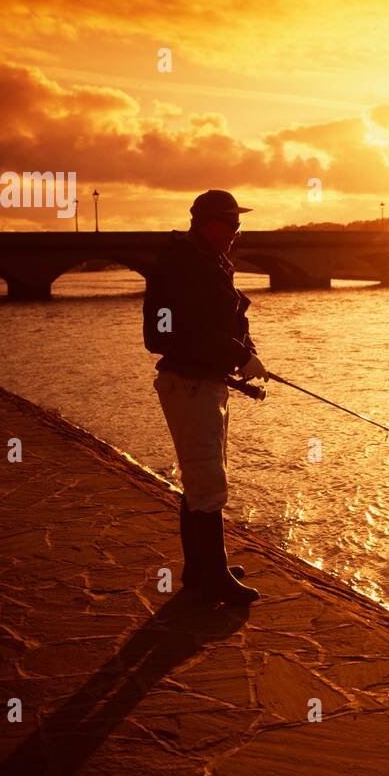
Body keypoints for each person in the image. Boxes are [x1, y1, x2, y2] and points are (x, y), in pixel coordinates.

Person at [143, 189, 268, 605]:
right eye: (230, 224)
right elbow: (197, 329)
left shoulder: (204, 260)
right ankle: (212, 577)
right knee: (208, 480)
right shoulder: (188, 265)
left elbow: (218, 321)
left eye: (238, 224)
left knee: (199, 477)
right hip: (190, 384)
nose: (236, 232)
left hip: (201, 382)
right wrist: (240, 357)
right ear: (208, 222)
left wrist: (243, 355)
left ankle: (199, 569)